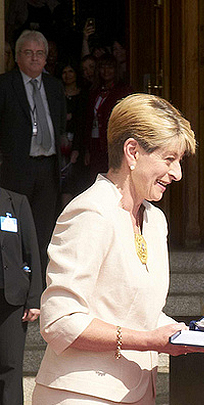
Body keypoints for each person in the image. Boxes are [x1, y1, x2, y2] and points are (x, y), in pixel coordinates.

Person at [13, 93, 198, 405]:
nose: (176, 173)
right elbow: (59, 321)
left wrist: (186, 332)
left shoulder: (153, 221)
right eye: (169, 159)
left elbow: (133, 305)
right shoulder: (88, 212)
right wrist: (146, 340)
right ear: (133, 152)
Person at [0, 30, 66, 284]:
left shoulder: (54, 86)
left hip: (47, 168)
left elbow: (58, 123)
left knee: (42, 230)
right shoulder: (5, 85)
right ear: (17, 57)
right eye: (28, 53)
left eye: (40, 54)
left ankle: (38, 285)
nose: (35, 59)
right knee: (14, 229)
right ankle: (14, 281)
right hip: (16, 168)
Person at [0, 188, 41, 405]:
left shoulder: (16, 202)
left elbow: (32, 251)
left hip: (11, 298)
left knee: (11, 367)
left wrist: (34, 297)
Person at [83, 52, 133, 183]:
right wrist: (87, 149)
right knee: (95, 178)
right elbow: (88, 121)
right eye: (102, 67)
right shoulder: (94, 91)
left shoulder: (123, 91)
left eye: (110, 67)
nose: (106, 71)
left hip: (113, 144)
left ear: (116, 70)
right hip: (95, 143)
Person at [60, 61, 89, 202]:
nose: (67, 75)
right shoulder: (57, 94)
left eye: (70, 71)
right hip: (59, 145)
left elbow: (82, 123)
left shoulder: (83, 95)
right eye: (64, 72)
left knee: (76, 184)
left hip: (78, 145)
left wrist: (77, 148)